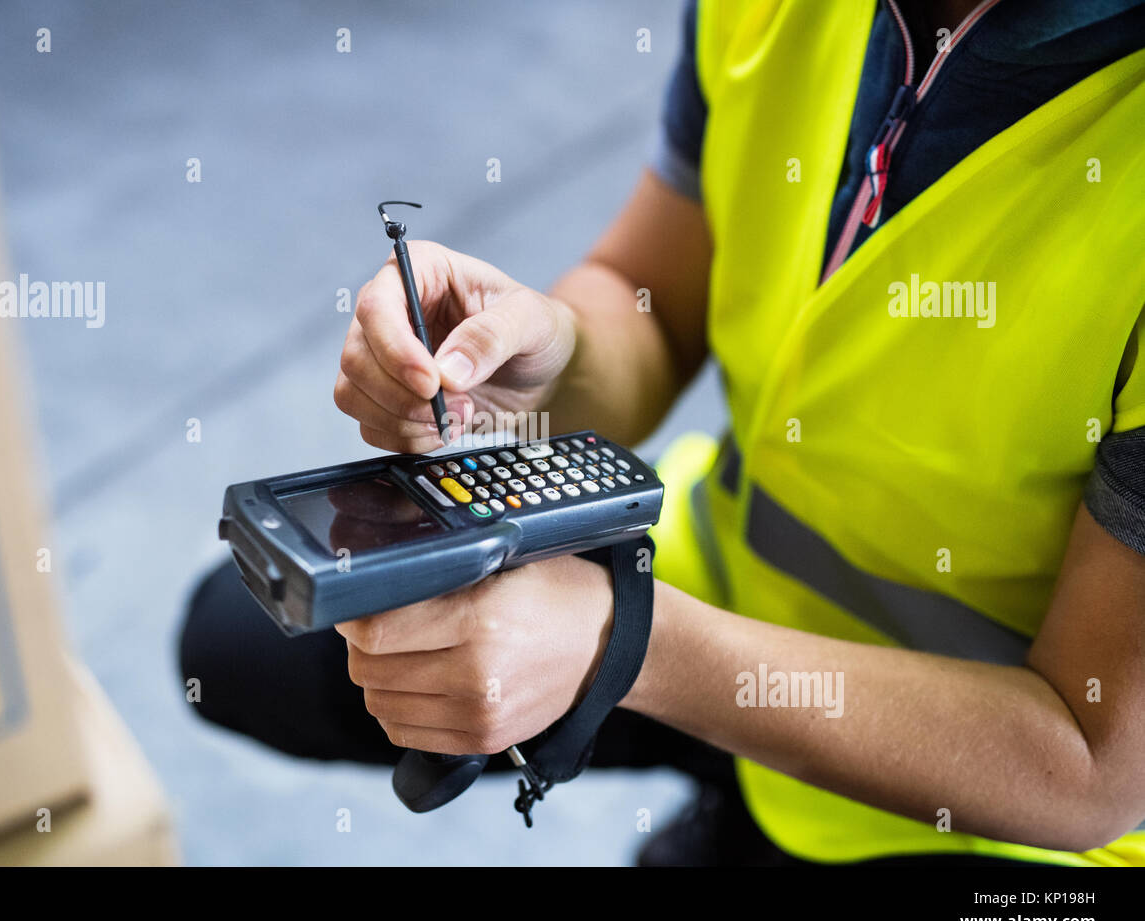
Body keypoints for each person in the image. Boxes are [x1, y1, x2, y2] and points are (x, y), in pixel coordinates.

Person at [180, 0, 1145, 865]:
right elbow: (658, 303)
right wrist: (547, 360)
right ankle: (733, 784)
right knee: (230, 640)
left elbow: (1088, 769)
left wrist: (629, 647)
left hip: (988, 809)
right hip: (732, 595)